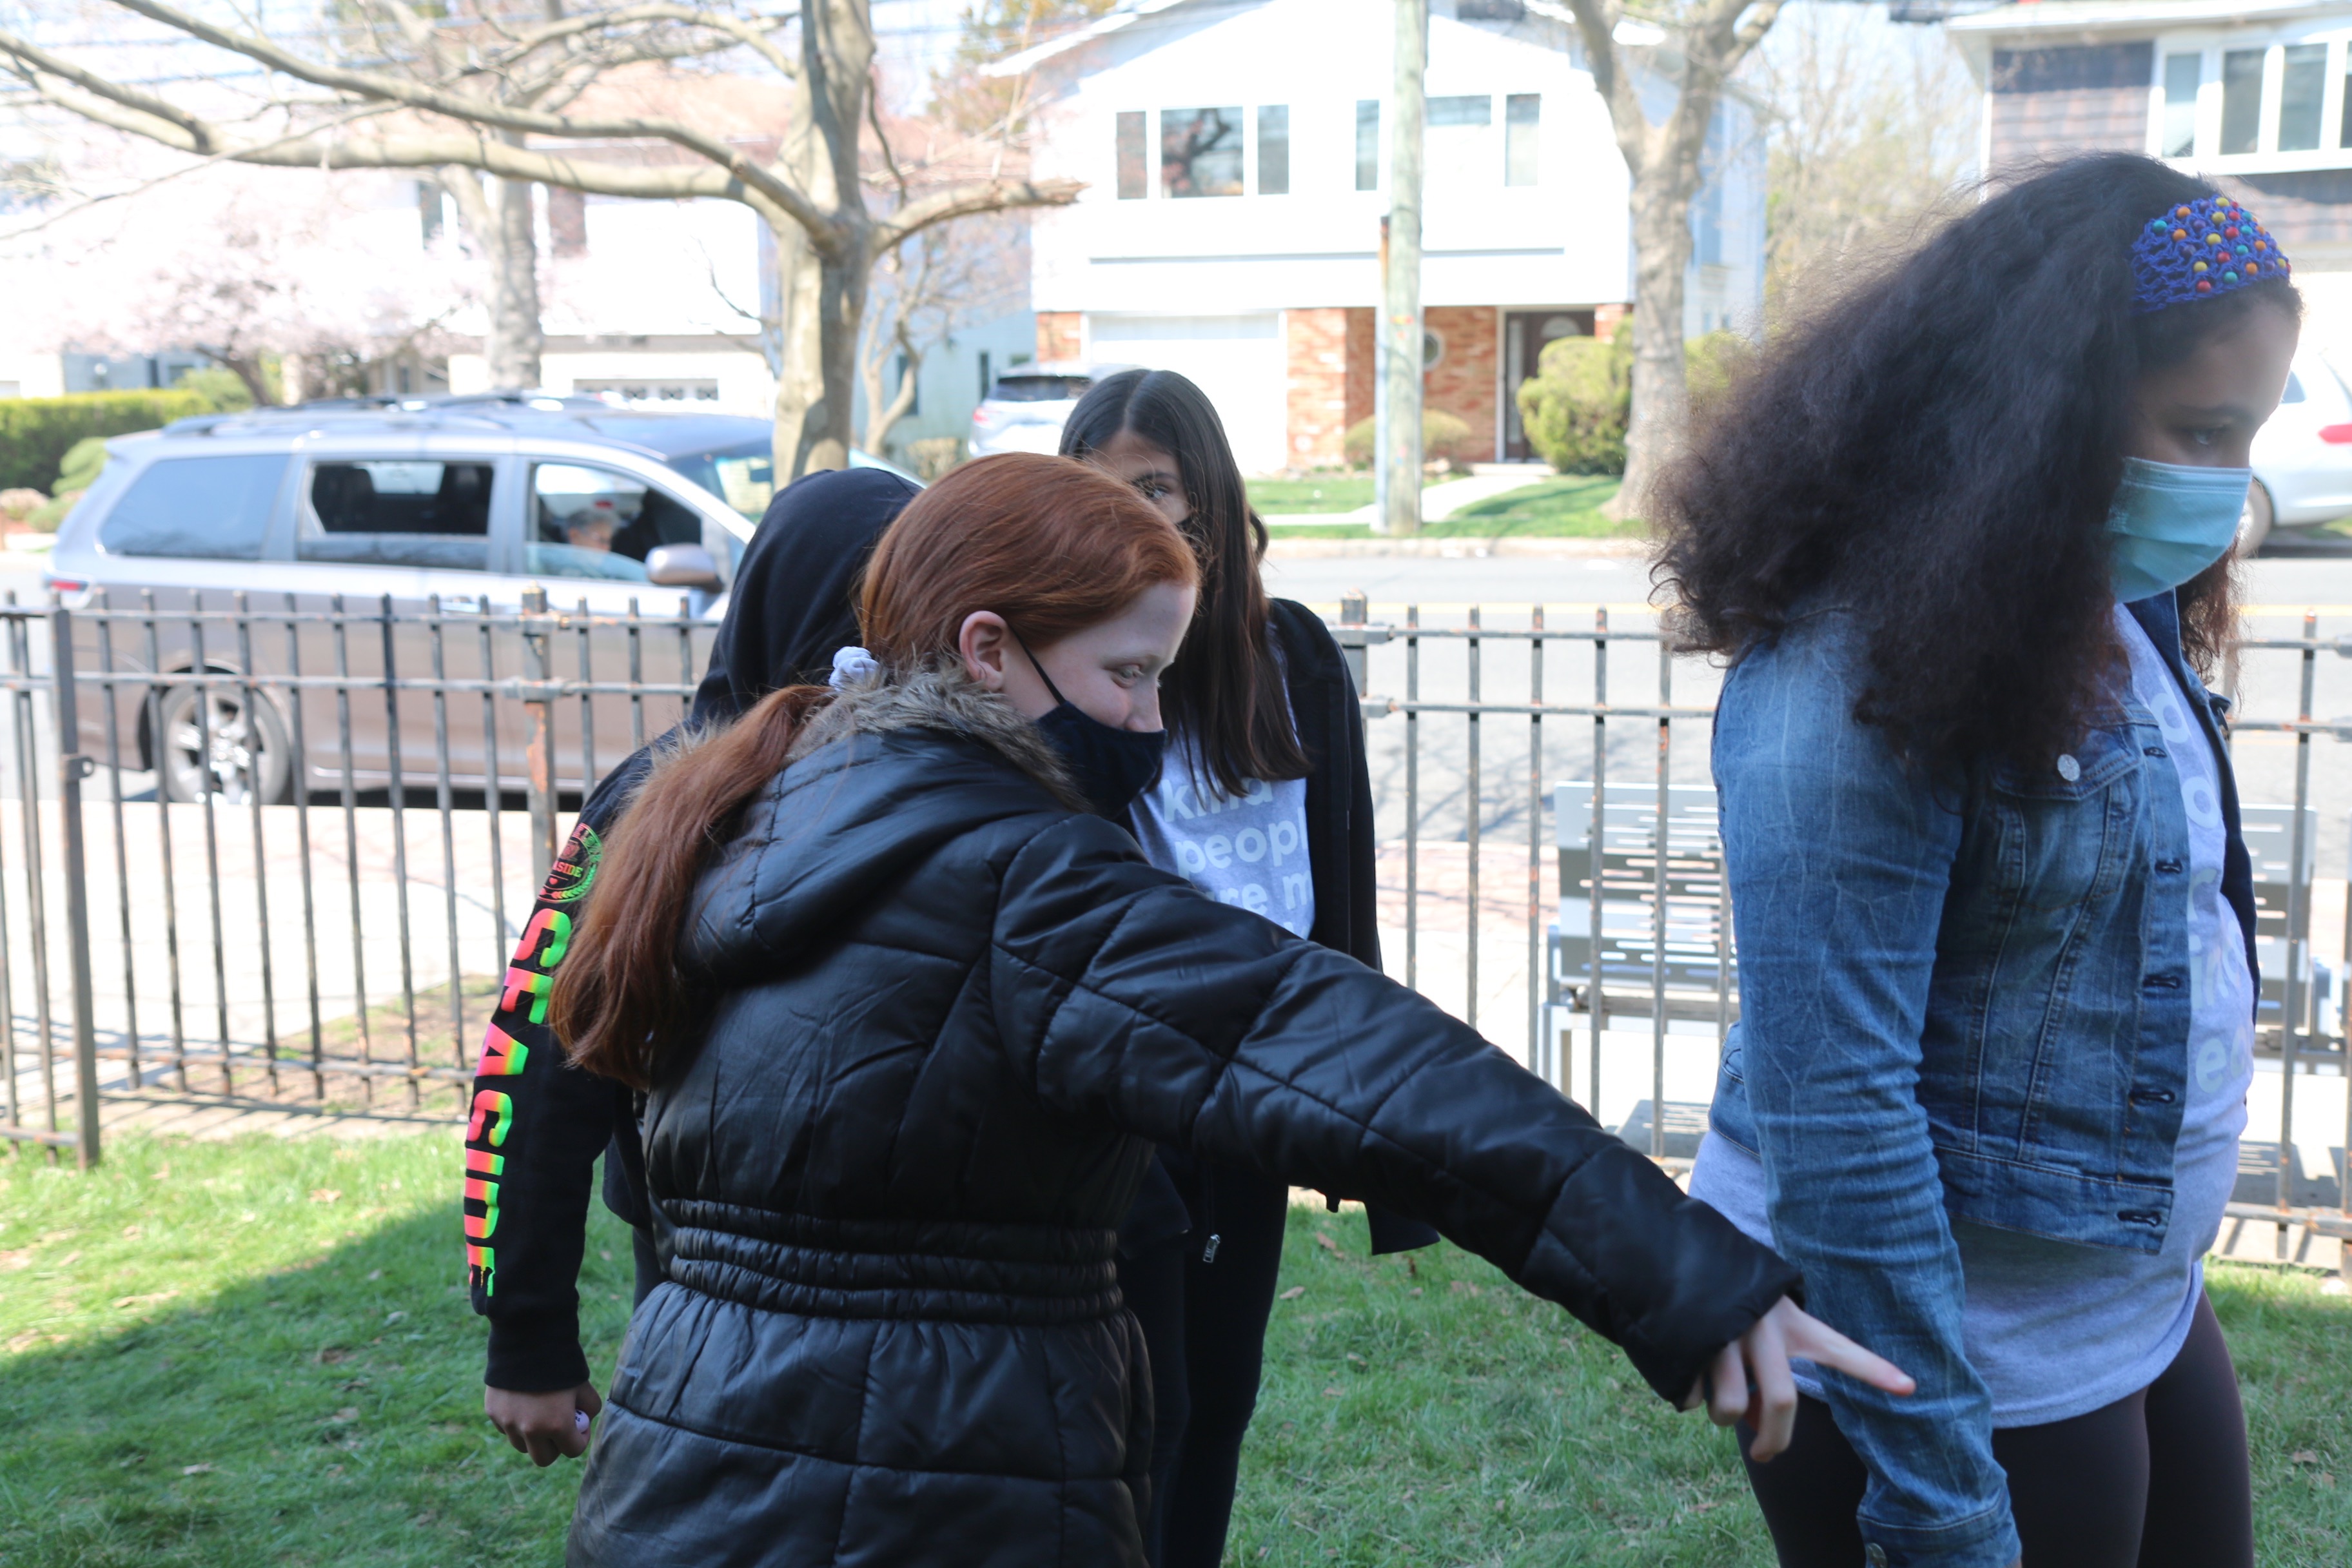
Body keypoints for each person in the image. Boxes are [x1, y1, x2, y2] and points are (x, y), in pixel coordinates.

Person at [552, 452, 1908, 1565]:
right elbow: (1355, 1063)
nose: (1151, 725)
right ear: (988, 650)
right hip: (932, 1488)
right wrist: (1687, 1276)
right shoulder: (1022, 881)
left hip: (679, 1482)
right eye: (1129, 674)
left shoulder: (756, 808)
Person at [1661, 155, 2291, 1568]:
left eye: (2245, 436)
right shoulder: (1841, 676)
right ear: (2041, 410)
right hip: (1948, 1337)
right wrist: (1941, 1504)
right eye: (2198, 431)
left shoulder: (2096, 590)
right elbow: (1839, 1120)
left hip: (2124, 1291)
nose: (2224, 486)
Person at [467, 466, 921, 1467]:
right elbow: (536, 1066)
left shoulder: (938, 785)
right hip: (700, 1268)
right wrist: (527, 1332)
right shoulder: (659, 801)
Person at [1057, 367, 1433, 1565]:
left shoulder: (1291, 655)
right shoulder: (1072, 663)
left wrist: (1358, 1090)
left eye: (1155, 488)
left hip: (1257, 1084)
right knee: (1133, 1411)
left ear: (1209, 499)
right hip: (1128, 1092)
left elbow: (1344, 874)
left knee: (1217, 1398)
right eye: (1100, 490)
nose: (1131, 516)